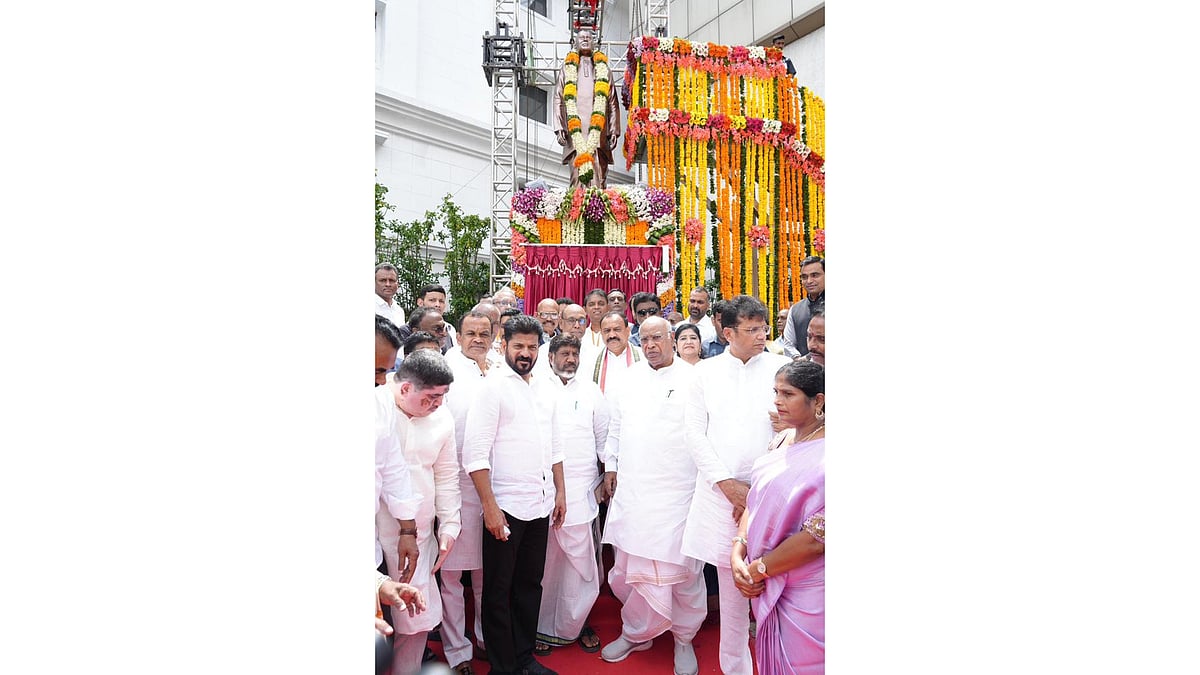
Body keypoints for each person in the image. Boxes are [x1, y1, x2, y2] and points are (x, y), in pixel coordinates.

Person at [680, 295, 791, 675]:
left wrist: (759, 488)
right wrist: (729, 486)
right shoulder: (703, 374)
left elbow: (802, 430)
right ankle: (735, 668)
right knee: (732, 589)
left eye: (763, 327)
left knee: (779, 588)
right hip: (720, 496)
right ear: (727, 332)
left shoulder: (784, 368)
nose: (762, 334)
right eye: (752, 329)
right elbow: (694, 435)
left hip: (775, 495)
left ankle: (783, 665)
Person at [599, 317, 704, 675]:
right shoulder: (628, 380)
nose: (651, 345)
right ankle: (636, 632)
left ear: (672, 338)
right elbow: (615, 426)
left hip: (680, 492)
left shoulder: (695, 379)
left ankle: (683, 639)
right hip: (636, 491)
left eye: (657, 337)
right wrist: (610, 467)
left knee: (683, 572)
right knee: (630, 569)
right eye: (644, 339)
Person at [463, 315, 566, 675]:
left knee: (529, 586)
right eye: (518, 346)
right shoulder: (492, 388)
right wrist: (490, 509)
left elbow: (554, 446)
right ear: (503, 345)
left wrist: (560, 493)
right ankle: (503, 667)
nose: (525, 353)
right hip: (505, 507)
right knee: (497, 591)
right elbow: (474, 455)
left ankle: (524, 658)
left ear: (541, 349)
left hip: (539, 504)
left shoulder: (545, 387)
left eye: (532, 347)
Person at [731, 360, 825, 674]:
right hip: (765, 577)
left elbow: (816, 540)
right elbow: (756, 500)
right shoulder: (783, 439)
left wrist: (758, 570)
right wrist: (738, 551)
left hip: (808, 593)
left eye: (788, 393)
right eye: (775, 392)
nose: (777, 400)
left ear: (818, 401)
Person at [379, 350, 461, 675]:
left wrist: (450, 525)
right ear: (404, 389)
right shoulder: (377, 408)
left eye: (443, 396)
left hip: (421, 536)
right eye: (431, 397)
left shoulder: (443, 418)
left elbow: (447, 475)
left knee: (416, 620)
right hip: (374, 535)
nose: (438, 404)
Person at [533, 334, 610, 657]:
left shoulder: (591, 392)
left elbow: (604, 439)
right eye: (563, 354)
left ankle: (574, 625)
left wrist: (609, 475)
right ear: (550, 357)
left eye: (574, 354)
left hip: (583, 491)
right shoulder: (535, 388)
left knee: (582, 566)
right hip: (543, 489)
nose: (570, 360)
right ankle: (539, 627)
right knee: (546, 565)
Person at [440, 311, 497, 675]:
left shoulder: (498, 370)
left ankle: (484, 637)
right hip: (452, 484)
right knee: (449, 574)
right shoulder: (446, 370)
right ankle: (457, 651)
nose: (477, 339)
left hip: (491, 487)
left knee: (484, 573)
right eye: (470, 333)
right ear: (458, 337)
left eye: (484, 333)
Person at [375, 316, 421, 597]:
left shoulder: (380, 402)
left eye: (388, 371)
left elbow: (393, 469)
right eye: (378, 370)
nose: (383, 380)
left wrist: (408, 530)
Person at [551, 27, 622, 187]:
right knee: (576, 180)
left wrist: (613, 130)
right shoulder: (566, 69)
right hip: (574, 133)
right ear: (575, 42)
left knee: (599, 179)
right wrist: (559, 126)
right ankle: (576, 209)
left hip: (598, 134)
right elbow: (558, 98)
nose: (585, 40)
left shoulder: (604, 70)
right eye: (581, 37)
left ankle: (598, 210)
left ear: (593, 43)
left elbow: (612, 101)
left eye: (588, 38)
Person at [591, 311, 643, 398]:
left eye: (617, 329)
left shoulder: (644, 357)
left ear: (627, 331)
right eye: (607, 331)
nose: (612, 335)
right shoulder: (591, 360)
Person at [781, 257, 825, 358]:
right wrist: (798, 359)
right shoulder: (795, 309)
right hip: (803, 370)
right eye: (804, 277)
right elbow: (788, 345)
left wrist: (808, 359)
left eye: (815, 275)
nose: (809, 281)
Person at [416, 283, 457, 349]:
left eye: (441, 301)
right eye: (432, 300)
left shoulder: (450, 329)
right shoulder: (410, 328)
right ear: (420, 303)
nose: (437, 305)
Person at [580, 288, 609, 364]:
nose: (596, 307)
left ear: (608, 308)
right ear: (585, 310)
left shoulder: (614, 334)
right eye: (591, 304)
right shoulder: (581, 335)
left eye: (601, 304)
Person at [376, 263, 406, 327]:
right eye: (383, 280)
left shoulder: (399, 310)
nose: (388, 284)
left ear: (397, 284)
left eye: (392, 280)